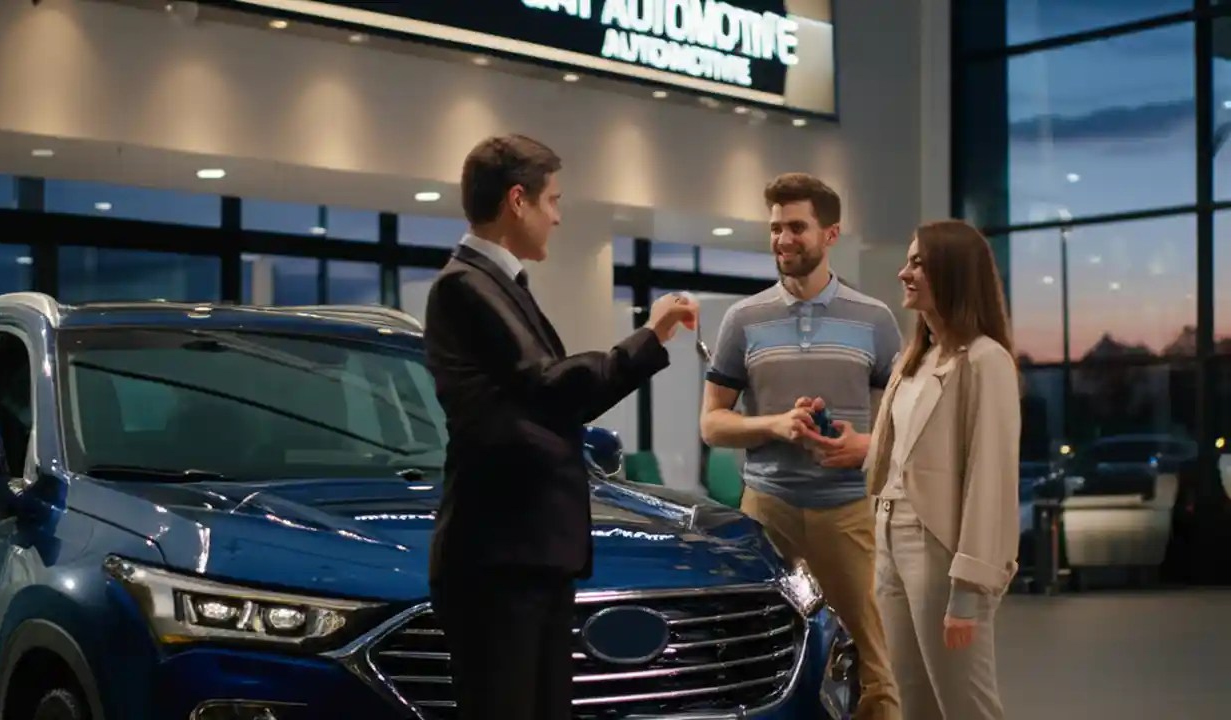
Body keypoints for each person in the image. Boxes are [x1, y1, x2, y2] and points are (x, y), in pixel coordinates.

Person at [421, 133, 698, 720]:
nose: (558, 217)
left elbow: (550, 400)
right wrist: (649, 337)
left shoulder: (498, 284)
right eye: (552, 201)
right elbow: (549, 385)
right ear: (517, 200)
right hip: (501, 556)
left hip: (529, 554)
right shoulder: (464, 285)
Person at [700, 172, 902, 720]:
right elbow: (713, 425)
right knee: (758, 661)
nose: (783, 240)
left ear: (830, 234)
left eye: (796, 227)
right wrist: (775, 426)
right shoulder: (742, 320)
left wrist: (865, 447)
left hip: (849, 511)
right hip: (768, 512)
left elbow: (902, 426)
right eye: (774, 228)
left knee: (879, 669)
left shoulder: (876, 320)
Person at [859, 219, 1020, 720]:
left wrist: (968, 591)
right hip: (889, 539)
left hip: (938, 549)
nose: (903, 272)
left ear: (951, 273)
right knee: (911, 704)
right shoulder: (915, 359)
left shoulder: (985, 362)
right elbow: (901, 457)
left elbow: (988, 481)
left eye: (917, 262)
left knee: (967, 705)